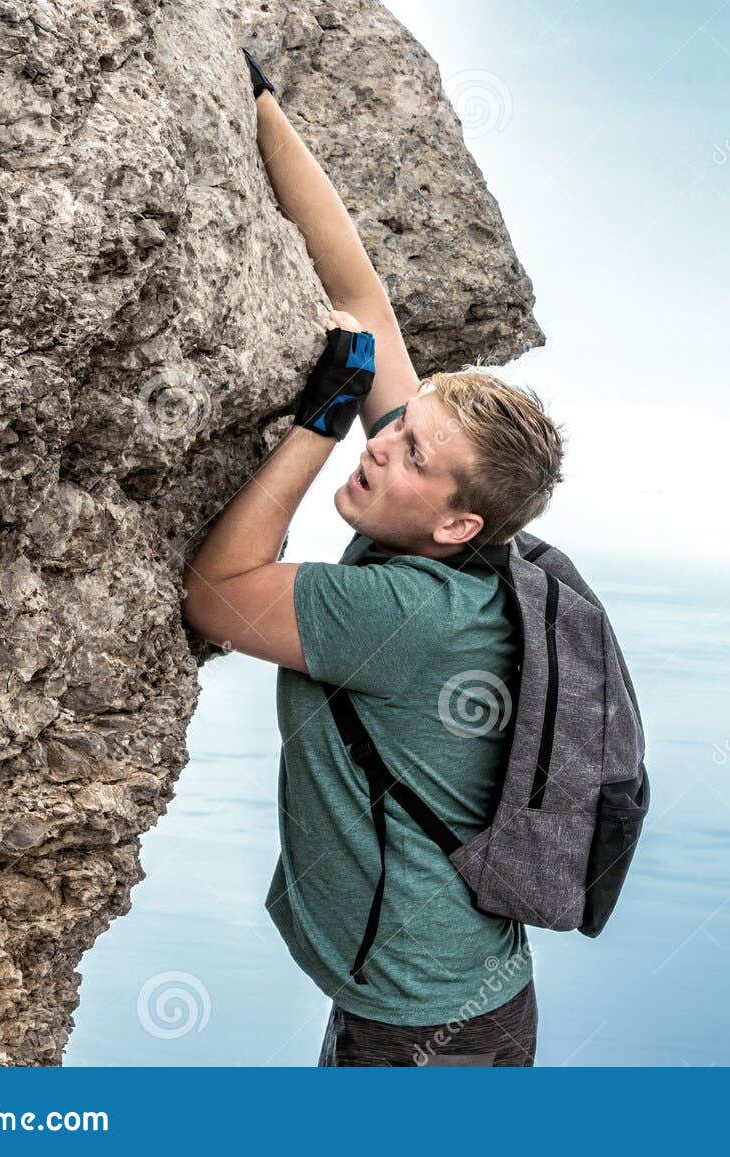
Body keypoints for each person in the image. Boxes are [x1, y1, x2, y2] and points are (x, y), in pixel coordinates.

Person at [180, 49, 564, 1067]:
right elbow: (360, 288)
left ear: (457, 525)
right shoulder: (461, 532)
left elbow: (216, 595)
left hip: (422, 1023)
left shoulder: (408, 612)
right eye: (401, 425)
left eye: (413, 455)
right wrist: (258, 101)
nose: (383, 445)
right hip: (447, 987)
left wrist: (319, 422)